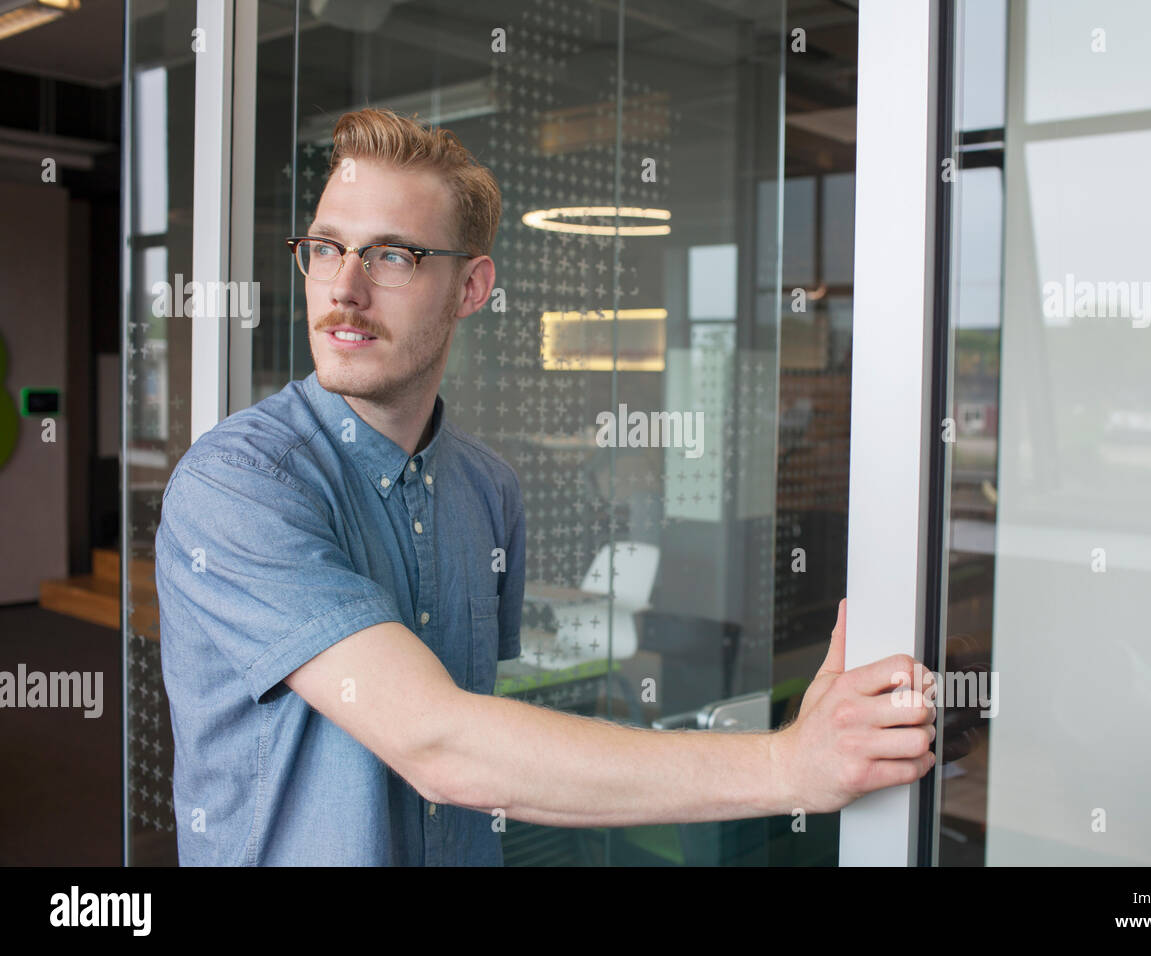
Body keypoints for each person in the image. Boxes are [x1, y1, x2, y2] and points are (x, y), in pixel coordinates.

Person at [155, 107, 936, 866]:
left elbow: (478, 735)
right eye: (326, 248)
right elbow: (441, 741)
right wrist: (785, 767)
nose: (345, 289)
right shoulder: (239, 485)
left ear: (471, 288)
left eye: (393, 256)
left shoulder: (487, 490)